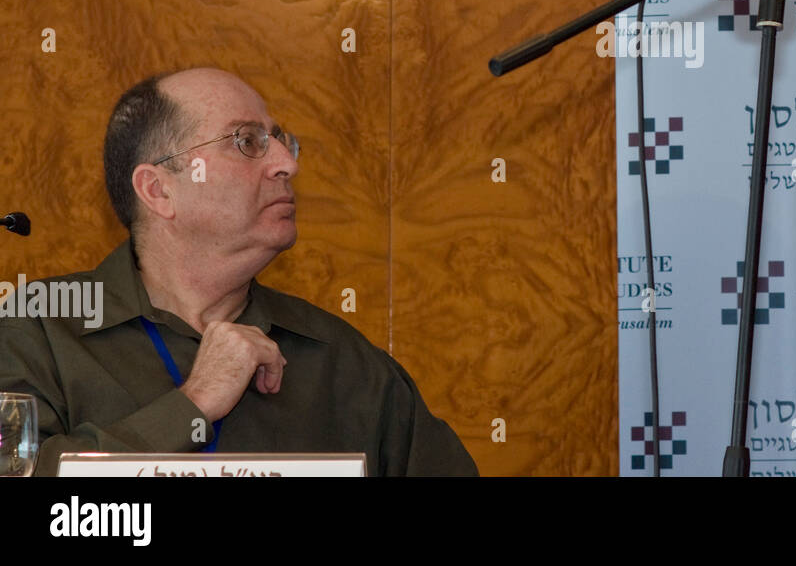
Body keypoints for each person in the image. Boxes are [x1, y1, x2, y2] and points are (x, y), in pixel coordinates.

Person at [0, 68, 477, 476]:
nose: (286, 164)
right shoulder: (37, 328)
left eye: (283, 142)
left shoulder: (341, 360)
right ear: (159, 190)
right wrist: (194, 401)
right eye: (247, 141)